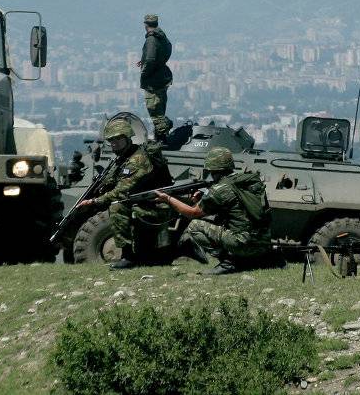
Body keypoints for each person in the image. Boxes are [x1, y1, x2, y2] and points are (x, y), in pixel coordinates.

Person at [155, 147, 274, 275]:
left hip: (243, 243)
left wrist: (168, 198)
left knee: (195, 226)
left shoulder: (219, 189)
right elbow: (235, 208)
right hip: (264, 242)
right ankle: (259, 259)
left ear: (212, 168)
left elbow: (192, 213)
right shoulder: (249, 181)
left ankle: (229, 263)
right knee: (219, 221)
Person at [76, 118, 173, 269]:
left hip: (157, 205)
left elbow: (122, 191)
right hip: (143, 202)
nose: (114, 143)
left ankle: (128, 257)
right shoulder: (123, 158)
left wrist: (95, 202)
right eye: (111, 140)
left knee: (117, 207)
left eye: (118, 139)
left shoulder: (137, 159)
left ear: (127, 138)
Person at [138, 14, 173, 142]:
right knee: (159, 108)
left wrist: (144, 73)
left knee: (155, 110)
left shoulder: (151, 39)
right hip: (162, 76)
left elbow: (150, 58)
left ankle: (162, 138)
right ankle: (162, 134)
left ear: (145, 25)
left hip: (153, 81)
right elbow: (168, 49)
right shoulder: (161, 35)